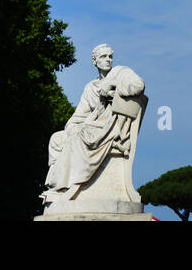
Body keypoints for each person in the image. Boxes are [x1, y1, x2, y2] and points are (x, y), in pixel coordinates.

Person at [41, 44, 145, 206]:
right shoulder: (90, 87)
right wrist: (71, 127)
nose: (108, 60)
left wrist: (113, 89)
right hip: (91, 126)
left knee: (79, 136)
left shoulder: (121, 73)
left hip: (109, 129)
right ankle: (57, 187)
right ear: (94, 61)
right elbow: (80, 114)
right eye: (103, 57)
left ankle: (67, 187)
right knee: (57, 138)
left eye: (110, 56)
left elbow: (139, 85)